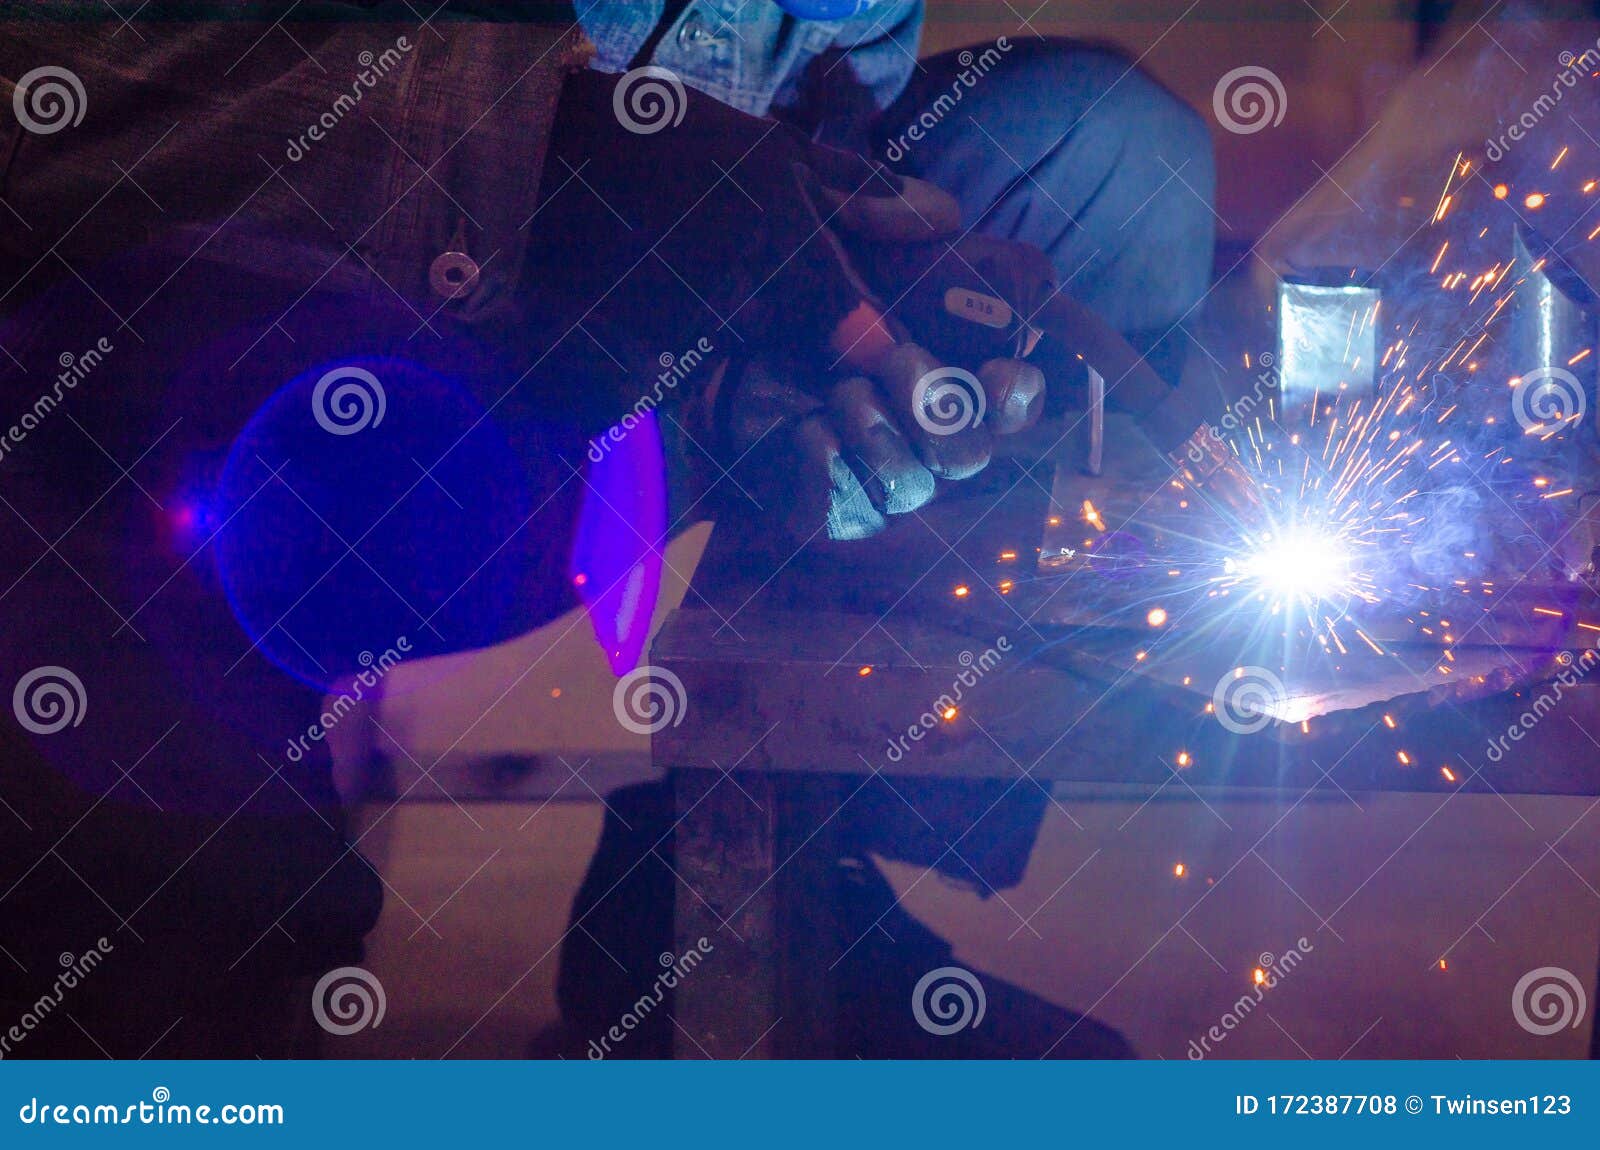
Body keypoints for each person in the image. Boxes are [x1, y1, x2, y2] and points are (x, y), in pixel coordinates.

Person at [0, 1, 1214, 1056]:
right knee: (161, 965)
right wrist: (552, 156)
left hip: (653, 319)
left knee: (1104, 156)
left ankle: (723, 892)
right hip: (258, 346)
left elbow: (804, 122)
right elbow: (64, 100)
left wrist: (805, 307)